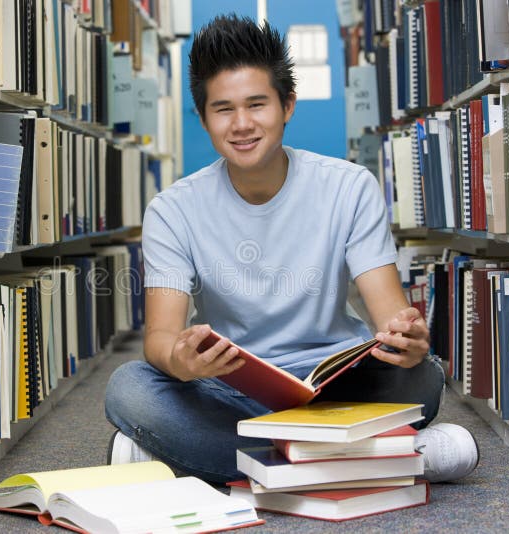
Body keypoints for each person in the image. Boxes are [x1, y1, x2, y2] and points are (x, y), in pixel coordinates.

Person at [104, 14, 478, 484]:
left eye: (257, 104)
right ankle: (385, 454)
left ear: (288, 106)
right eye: (223, 109)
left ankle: (229, 460)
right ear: (203, 118)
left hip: (337, 383)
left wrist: (406, 342)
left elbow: (390, 316)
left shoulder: (350, 187)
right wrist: (181, 360)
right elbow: (159, 338)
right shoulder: (172, 210)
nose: (241, 124)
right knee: (129, 387)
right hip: (234, 386)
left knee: (421, 377)